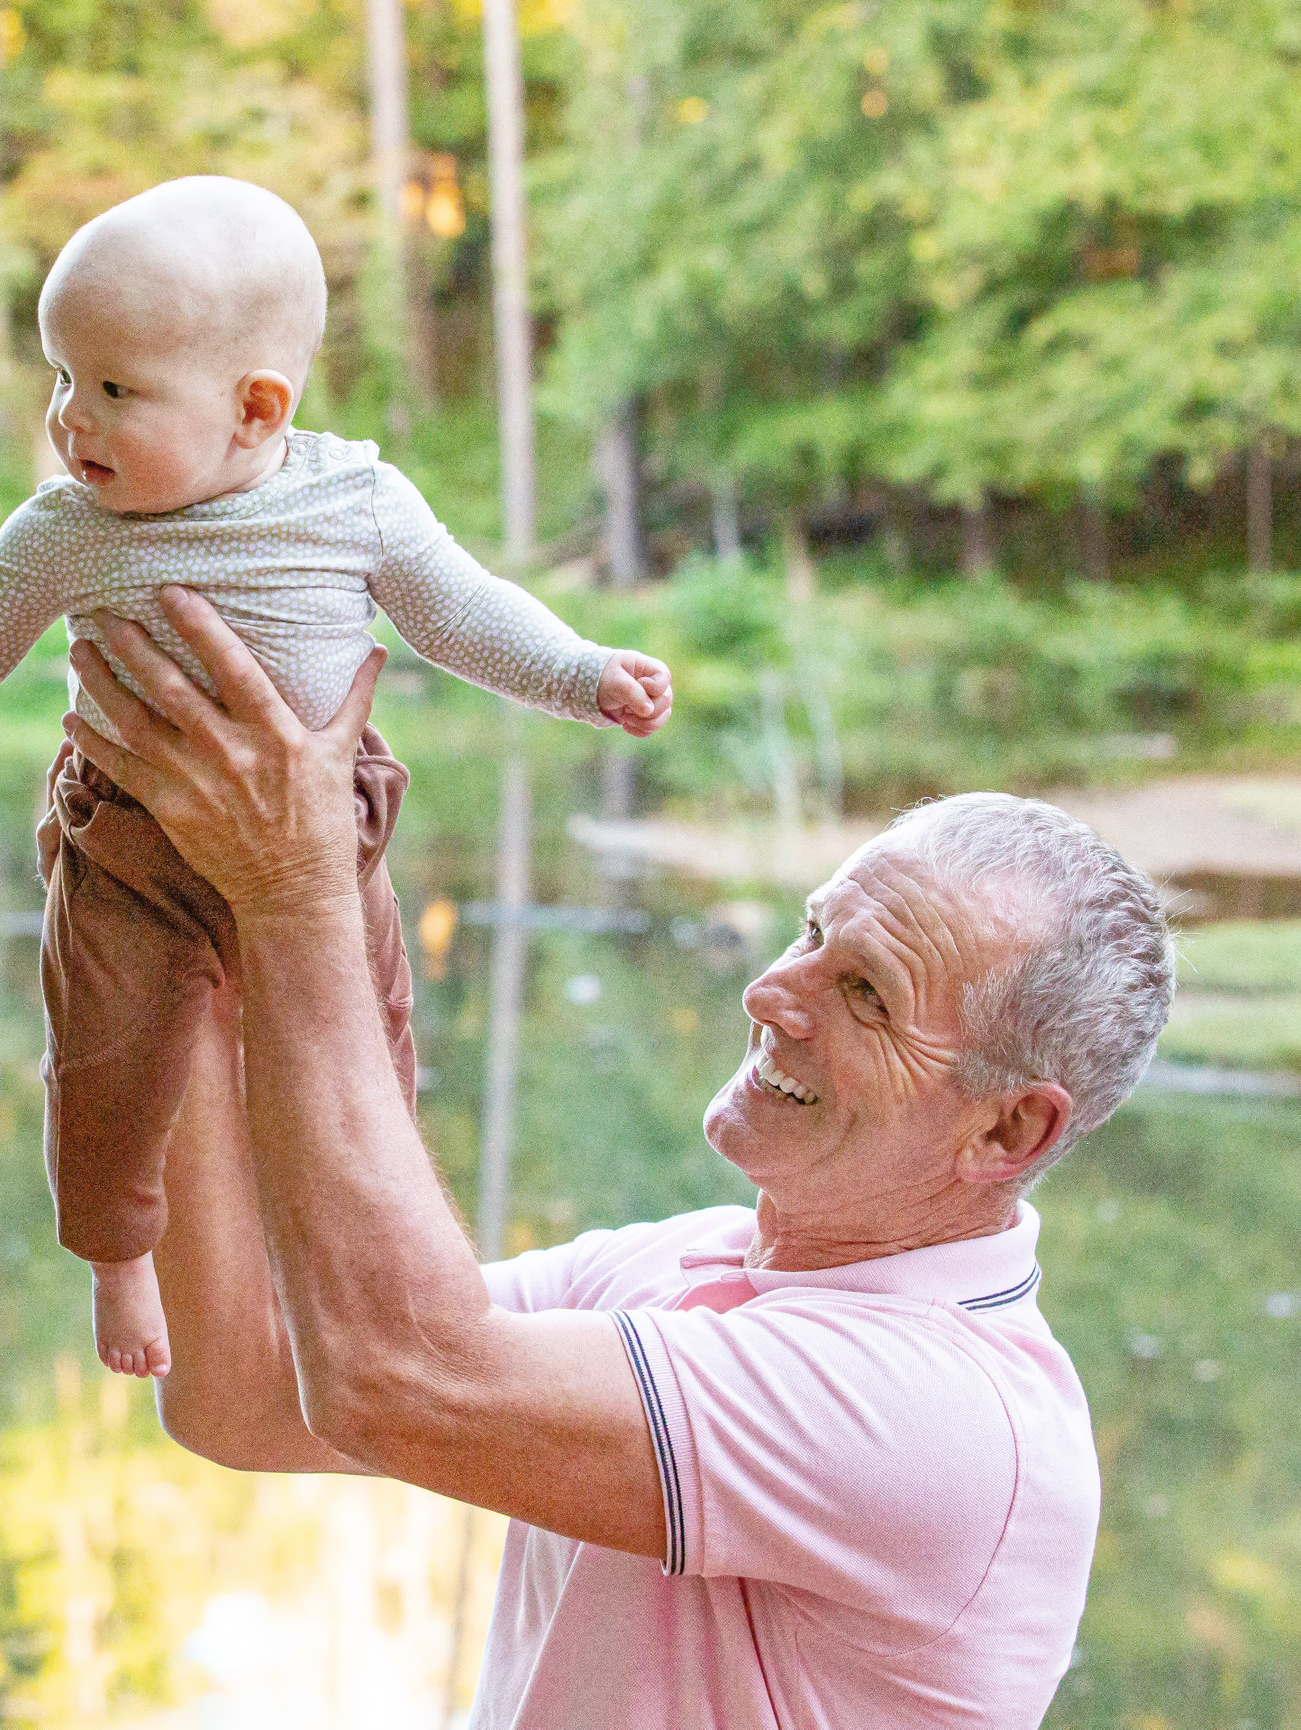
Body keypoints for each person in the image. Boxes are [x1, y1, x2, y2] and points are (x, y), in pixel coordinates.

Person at [61, 586, 1176, 1729]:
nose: (769, 992)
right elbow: (251, 1392)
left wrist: (291, 883)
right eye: (809, 932)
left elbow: (394, 1380)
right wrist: (172, 927)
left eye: (865, 994)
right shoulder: (690, 1266)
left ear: (1007, 1129)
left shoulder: (949, 1417)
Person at [0, 176, 673, 1379]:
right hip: (128, 846)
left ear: (255, 408)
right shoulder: (66, 530)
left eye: (114, 390)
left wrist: (578, 672)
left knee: (370, 1048)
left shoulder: (357, 502)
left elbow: (460, 610)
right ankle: (114, 1249)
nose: (69, 419)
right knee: (104, 1055)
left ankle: (340, 1256)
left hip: (322, 842)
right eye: (61, 378)